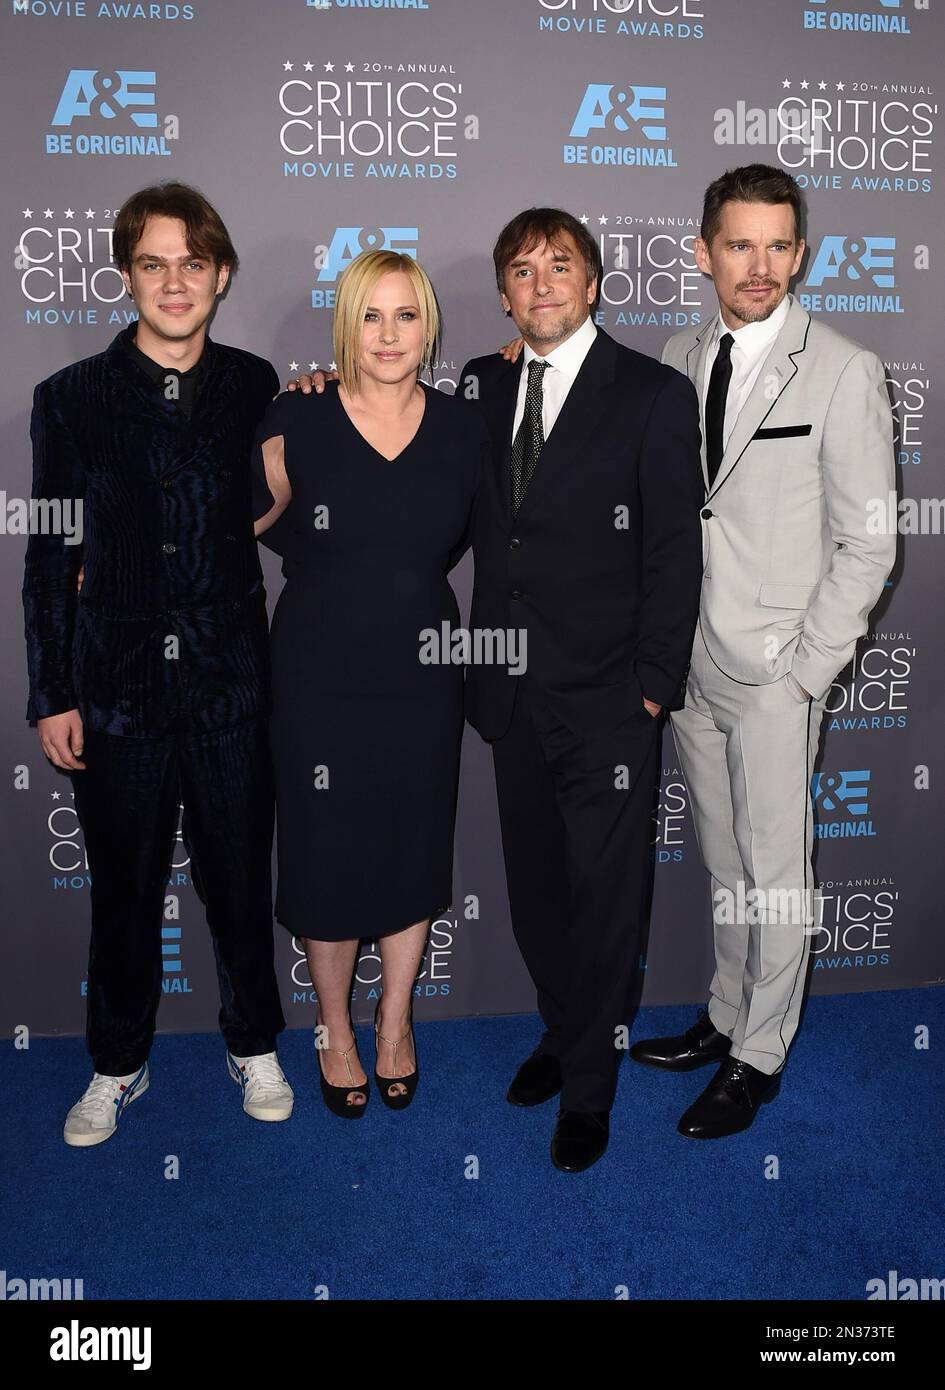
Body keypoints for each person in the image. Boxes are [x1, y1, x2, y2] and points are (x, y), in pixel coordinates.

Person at [628, 164, 897, 1138]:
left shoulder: (843, 367)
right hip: (691, 661)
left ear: (802, 252)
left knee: (780, 869)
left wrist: (807, 671)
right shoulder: (678, 351)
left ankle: (759, 1057)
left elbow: (871, 539)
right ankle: (727, 1011)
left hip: (779, 668)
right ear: (703, 253)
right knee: (728, 856)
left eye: (780, 244)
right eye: (740, 244)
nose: (761, 265)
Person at [23, 181, 293, 1147]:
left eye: (192, 264)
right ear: (126, 274)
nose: (174, 283)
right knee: (123, 891)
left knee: (236, 882)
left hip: (229, 683)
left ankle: (253, 1042)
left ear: (220, 276)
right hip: (118, 691)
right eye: (153, 263)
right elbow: (49, 553)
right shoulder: (71, 400)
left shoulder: (257, 384)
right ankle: (117, 1064)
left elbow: (270, 507)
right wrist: (51, 692)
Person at [462, 208, 703, 1171]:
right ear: (504, 295)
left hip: (609, 698)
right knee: (535, 891)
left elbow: (672, 550)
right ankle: (561, 1035)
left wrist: (651, 683)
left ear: (594, 283)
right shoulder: (481, 387)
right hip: (508, 690)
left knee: (606, 900)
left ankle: (591, 1087)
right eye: (521, 271)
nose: (542, 284)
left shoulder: (650, 392)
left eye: (560, 266)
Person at [252, 250, 486, 1117]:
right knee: (324, 851)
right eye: (369, 316)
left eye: (406, 315)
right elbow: (231, 522)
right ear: (343, 326)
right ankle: (335, 1032)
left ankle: (393, 1024)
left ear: (429, 326)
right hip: (316, 669)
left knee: (410, 842)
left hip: (424, 669)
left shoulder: (466, 427)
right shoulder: (293, 417)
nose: (388, 335)